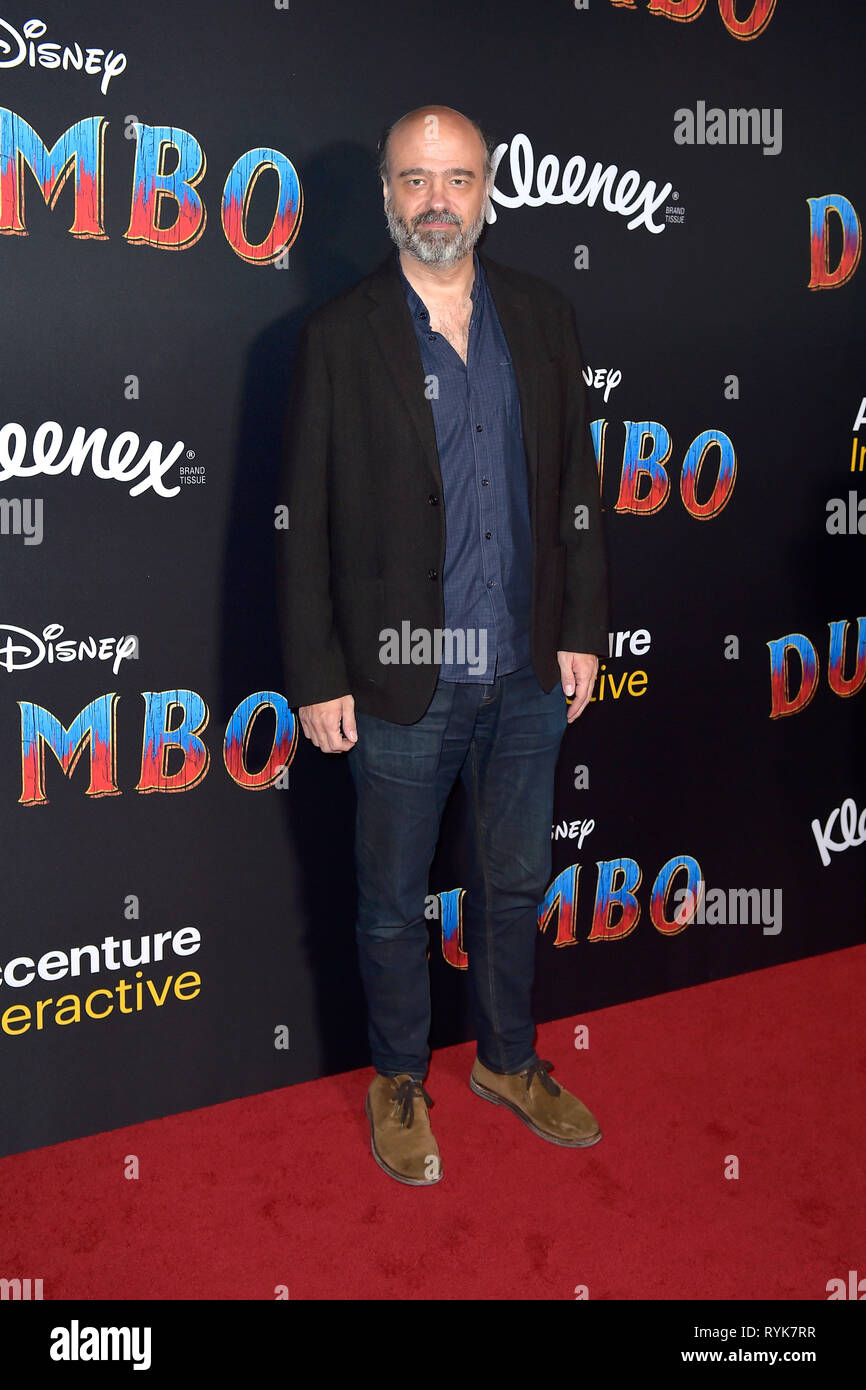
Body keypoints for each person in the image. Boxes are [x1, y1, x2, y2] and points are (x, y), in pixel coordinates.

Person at [278, 105, 610, 1186]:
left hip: (521, 671)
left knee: (514, 882)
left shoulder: (544, 317)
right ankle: (397, 1079)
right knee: (389, 901)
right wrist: (319, 675)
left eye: (456, 179)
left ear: (486, 190)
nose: (436, 201)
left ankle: (509, 1062)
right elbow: (303, 520)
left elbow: (574, 495)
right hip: (397, 677)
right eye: (414, 181)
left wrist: (577, 631)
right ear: (385, 196)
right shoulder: (339, 334)